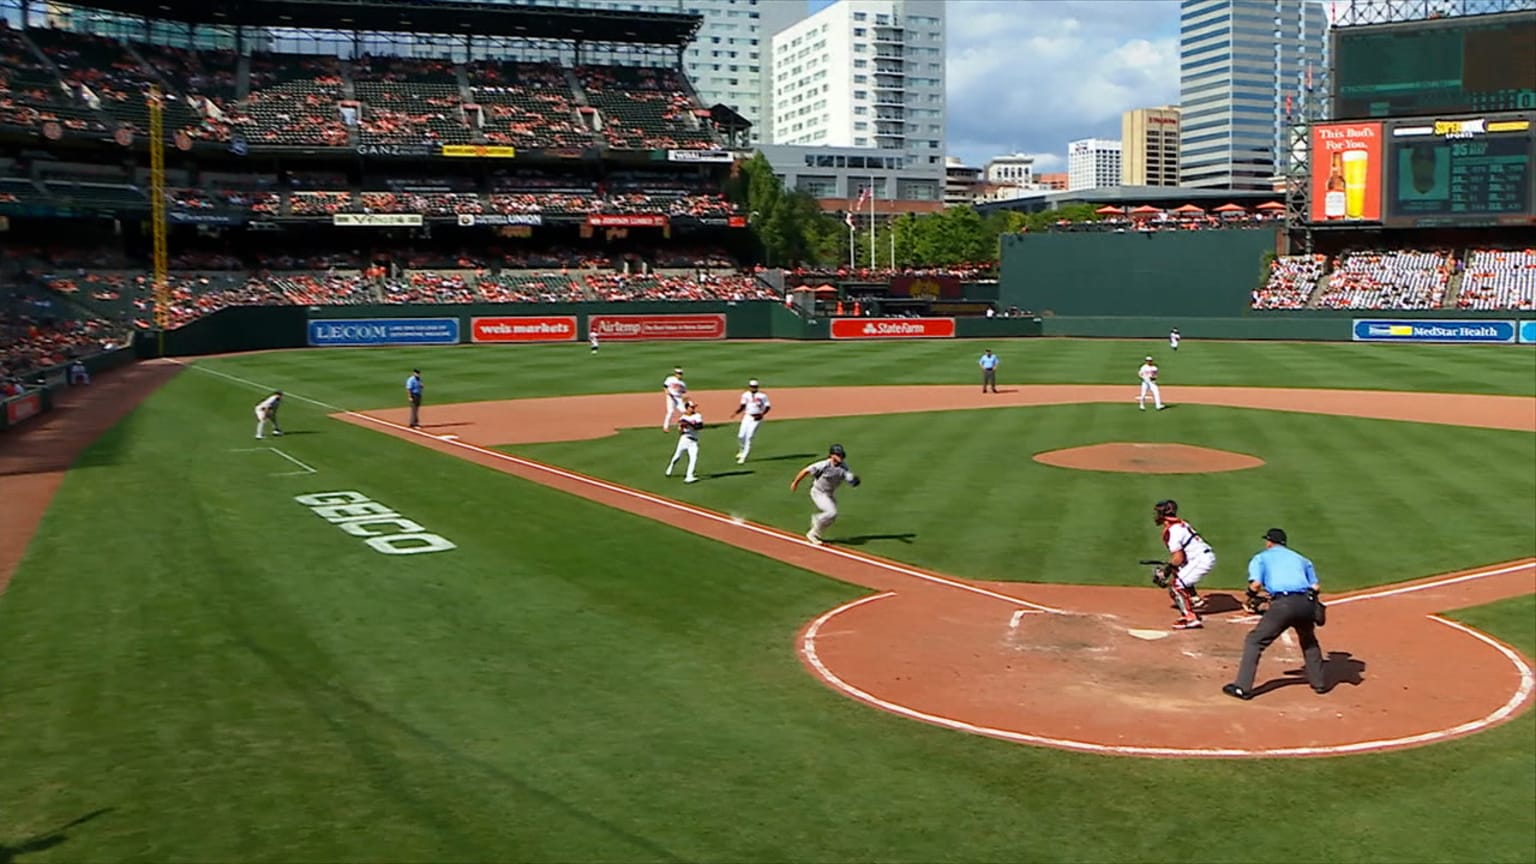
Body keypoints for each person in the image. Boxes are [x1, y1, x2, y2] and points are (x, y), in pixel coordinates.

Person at [1224, 528, 1326, 700]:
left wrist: (1249, 598)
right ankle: (1319, 683)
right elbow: (1316, 587)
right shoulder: (1301, 559)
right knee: (1309, 640)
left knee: (1255, 641)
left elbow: (1256, 585)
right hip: (1306, 603)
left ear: (1269, 542)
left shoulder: (1261, 558)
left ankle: (1242, 687)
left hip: (1284, 605)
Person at [1152, 499, 1215, 629]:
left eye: (1158, 513)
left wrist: (1165, 572)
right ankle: (1194, 599)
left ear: (1163, 515)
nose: (1156, 516)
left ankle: (1190, 618)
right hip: (1201, 556)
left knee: (1176, 585)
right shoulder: (1181, 524)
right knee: (1179, 571)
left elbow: (1178, 558)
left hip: (1201, 560)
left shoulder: (1172, 531)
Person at [790, 443, 861, 546]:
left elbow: (849, 477)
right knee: (831, 513)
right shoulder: (824, 465)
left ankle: (815, 531)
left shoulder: (844, 467)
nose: (840, 457)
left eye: (841, 455)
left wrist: (853, 481)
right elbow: (806, 471)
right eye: (837, 455)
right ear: (832, 455)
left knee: (831, 517)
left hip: (829, 494)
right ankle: (813, 532)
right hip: (818, 492)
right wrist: (795, 482)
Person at [731, 378, 772, 464]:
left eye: (755, 386)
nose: (753, 388)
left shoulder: (762, 396)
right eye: (752, 386)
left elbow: (768, 406)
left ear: (757, 387)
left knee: (749, 437)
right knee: (741, 436)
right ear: (749, 387)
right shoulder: (745, 395)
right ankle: (741, 450)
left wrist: (761, 415)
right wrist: (736, 412)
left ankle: (744, 457)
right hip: (747, 416)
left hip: (756, 418)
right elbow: (743, 405)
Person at [664, 400, 703, 483]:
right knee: (677, 456)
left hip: (694, 442)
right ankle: (671, 466)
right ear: (687, 408)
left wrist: (688, 423)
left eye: (694, 407)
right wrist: (682, 427)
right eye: (691, 407)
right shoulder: (682, 418)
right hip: (684, 440)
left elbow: (699, 427)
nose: (693, 409)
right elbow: (680, 431)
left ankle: (689, 476)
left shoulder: (697, 416)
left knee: (693, 458)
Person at [661, 367, 687, 431]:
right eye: (678, 373)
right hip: (670, 397)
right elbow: (665, 386)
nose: (679, 375)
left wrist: (683, 398)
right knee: (670, 412)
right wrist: (667, 392)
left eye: (680, 373)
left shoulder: (682, 383)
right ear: (675, 373)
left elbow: (683, 392)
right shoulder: (670, 379)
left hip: (678, 398)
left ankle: (681, 425)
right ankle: (665, 427)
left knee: (684, 411)